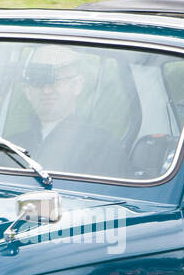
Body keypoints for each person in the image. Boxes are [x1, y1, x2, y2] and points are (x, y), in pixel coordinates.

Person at [8, 45, 128, 178]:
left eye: (56, 81)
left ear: (77, 85)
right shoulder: (7, 147)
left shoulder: (102, 146)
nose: (47, 90)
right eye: (39, 82)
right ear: (27, 90)